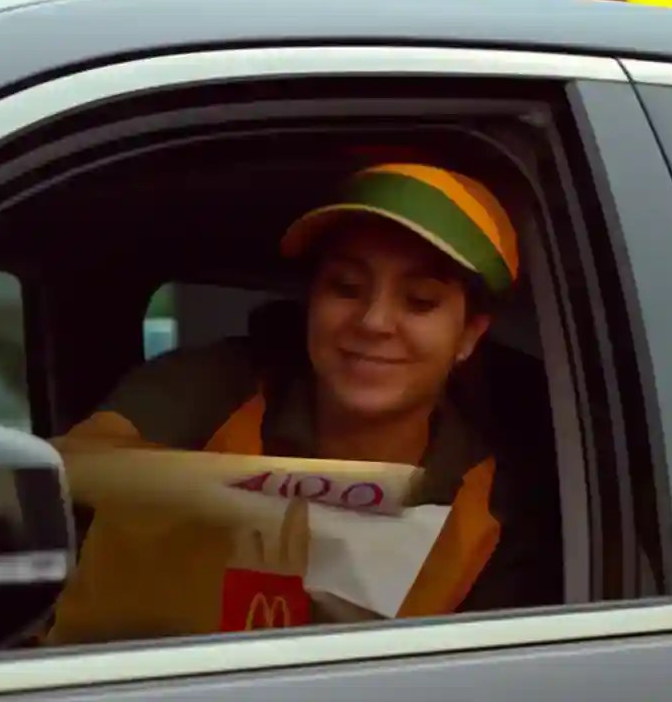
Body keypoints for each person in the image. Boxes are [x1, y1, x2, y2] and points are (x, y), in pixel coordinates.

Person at [44, 162, 552, 645]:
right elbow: (75, 464)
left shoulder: (490, 511)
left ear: (467, 335)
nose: (374, 321)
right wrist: (256, 504)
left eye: (419, 301)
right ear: (312, 301)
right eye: (346, 287)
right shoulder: (223, 384)